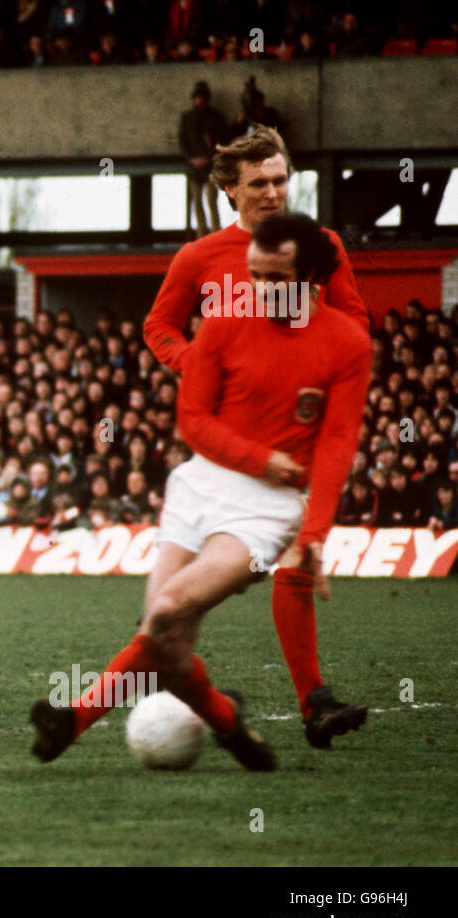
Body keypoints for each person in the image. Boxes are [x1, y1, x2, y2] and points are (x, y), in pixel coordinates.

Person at [31, 212, 372, 771]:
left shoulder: (347, 344)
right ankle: (230, 725)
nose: (258, 290)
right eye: (253, 275)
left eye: (274, 278)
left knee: (168, 609)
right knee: (165, 642)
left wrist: (313, 533)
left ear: (312, 277)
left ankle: (72, 720)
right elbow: (192, 419)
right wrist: (261, 457)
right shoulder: (224, 322)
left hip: (267, 511)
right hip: (200, 483)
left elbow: (337, 446)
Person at [142, 126, 371, 744]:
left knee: (300, 551)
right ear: (229, 190)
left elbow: (353, 318)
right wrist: (193, 363)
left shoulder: (320, 246)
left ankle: (313, 702)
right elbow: (159, 325)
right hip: (224, 436)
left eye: (280, 180)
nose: (273, 193)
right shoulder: (199, 257)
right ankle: (194, 685)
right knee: (183, 591)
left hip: (294, 431)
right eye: (259, 183)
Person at [178, 80, 226, 237]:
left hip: (211, 166)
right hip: (194, 166)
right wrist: (191, 159)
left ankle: (216, 233)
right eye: (197, 97)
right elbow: (182, 141)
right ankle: (201, 234)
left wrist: (208, 158)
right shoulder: (187, 118)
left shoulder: (216, 118)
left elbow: (221, 142)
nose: (199, 100)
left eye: (202, 97)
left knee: (212, 200)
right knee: (197, 201)